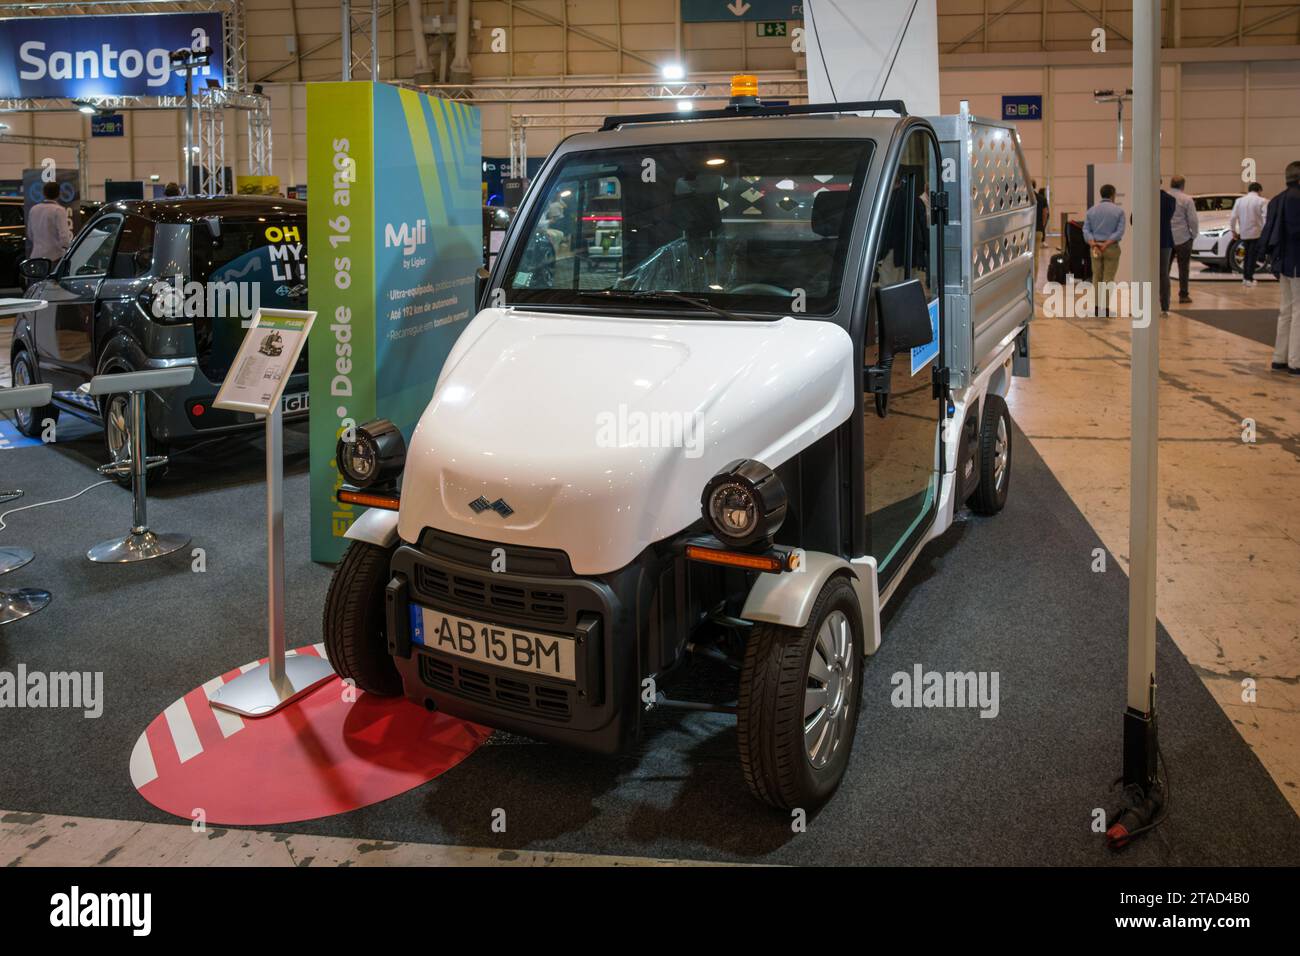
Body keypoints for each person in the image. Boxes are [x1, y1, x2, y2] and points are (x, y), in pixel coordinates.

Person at [1262, 160, 1300, 374]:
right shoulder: (1297, 199)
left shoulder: (1277, 200)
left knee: (1286, 310)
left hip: (1282, 261)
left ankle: (1280, 357)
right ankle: (1296, 361)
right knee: (1298, 311)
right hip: (1297, 261)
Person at [1084, 183, 1125, 317]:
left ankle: (1096, 307)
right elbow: (1119, 231)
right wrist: (1107, 243)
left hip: (1095, 248)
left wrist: (1093, 242)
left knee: (1097, 277)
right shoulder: (1119, 211)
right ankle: (1105, 308)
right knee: (1108, 278)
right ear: (1113, 195)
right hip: (1111, 248)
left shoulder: (1091, 211)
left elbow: (1086, 229)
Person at [1230, 182, 1268, 286]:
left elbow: (1233, 217)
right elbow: (1266, 218)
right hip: (1257, 233)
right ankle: (1249, 279)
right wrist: (1266, 232)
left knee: (1246, 255)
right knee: (1252, 256)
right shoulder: (1262, 201)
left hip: (1244, 233)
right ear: (1259, 190)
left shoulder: (1239, 201)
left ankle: (1245, 278)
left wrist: (1233, 230)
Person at [1168, 175, 1198, 304]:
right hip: (1183, 238)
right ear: (1183, 185)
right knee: (1183, 268)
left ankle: (1162, 294)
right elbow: (1192, 219)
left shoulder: (1164, 197)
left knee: (1164, 269)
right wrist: (1194, 234)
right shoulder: (1187, 199)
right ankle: (1183, 295)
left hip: (1166, 239)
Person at [26, 180, 72, 261]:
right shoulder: (59, 210)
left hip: (35, 256)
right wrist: (68, 249)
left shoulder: (34, 209)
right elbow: (64, 236)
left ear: (43, 193)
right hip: (54, 257)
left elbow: (30, 234)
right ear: (59, 194)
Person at [1160, 183, 1176, 315]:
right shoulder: (1170, 199)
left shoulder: (1142, 198)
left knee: (1145, 274)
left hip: (1146, 242)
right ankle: (1165, 306)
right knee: (1163, 274)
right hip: (1165, 241)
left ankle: (1145, 304)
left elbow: (1133, 220)